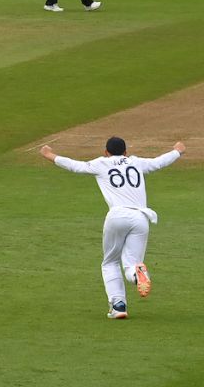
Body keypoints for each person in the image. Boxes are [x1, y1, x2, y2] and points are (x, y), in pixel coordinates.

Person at [40, 137, 186, 319]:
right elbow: (158, 162)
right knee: (131, 264)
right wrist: (177, 151)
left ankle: (118, 306)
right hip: (141, 217)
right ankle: (137, 274)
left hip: (117, 216)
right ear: (125, 152)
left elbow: (75, 166)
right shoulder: (136, 162)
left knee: (110, 262)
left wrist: (49, 155)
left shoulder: (101, 163)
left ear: (106, 152)